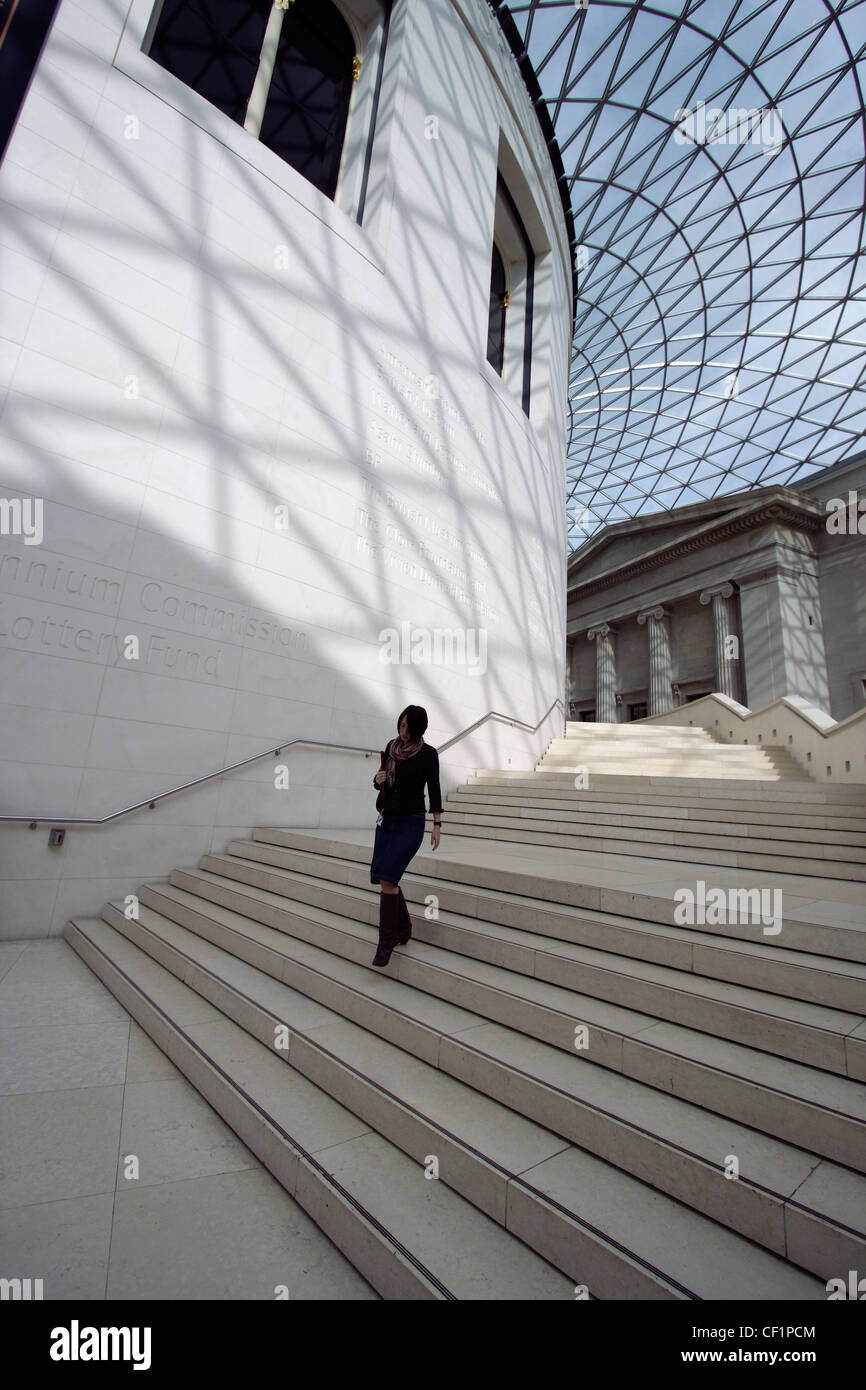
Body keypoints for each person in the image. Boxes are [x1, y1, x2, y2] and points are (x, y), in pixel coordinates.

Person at [370, 704, 442, 967]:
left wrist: (436, 824)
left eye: (408, 728)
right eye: (401, 726)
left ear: (418, 729)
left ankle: (385, 942)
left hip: (411, 823)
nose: (403, 733)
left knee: (389, 878)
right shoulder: (391, 747)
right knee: (386, 878)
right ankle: (404, 927)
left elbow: (434, 788)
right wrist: (378, 780)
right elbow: (380, 781)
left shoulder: (428, 754)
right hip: (387, 818)